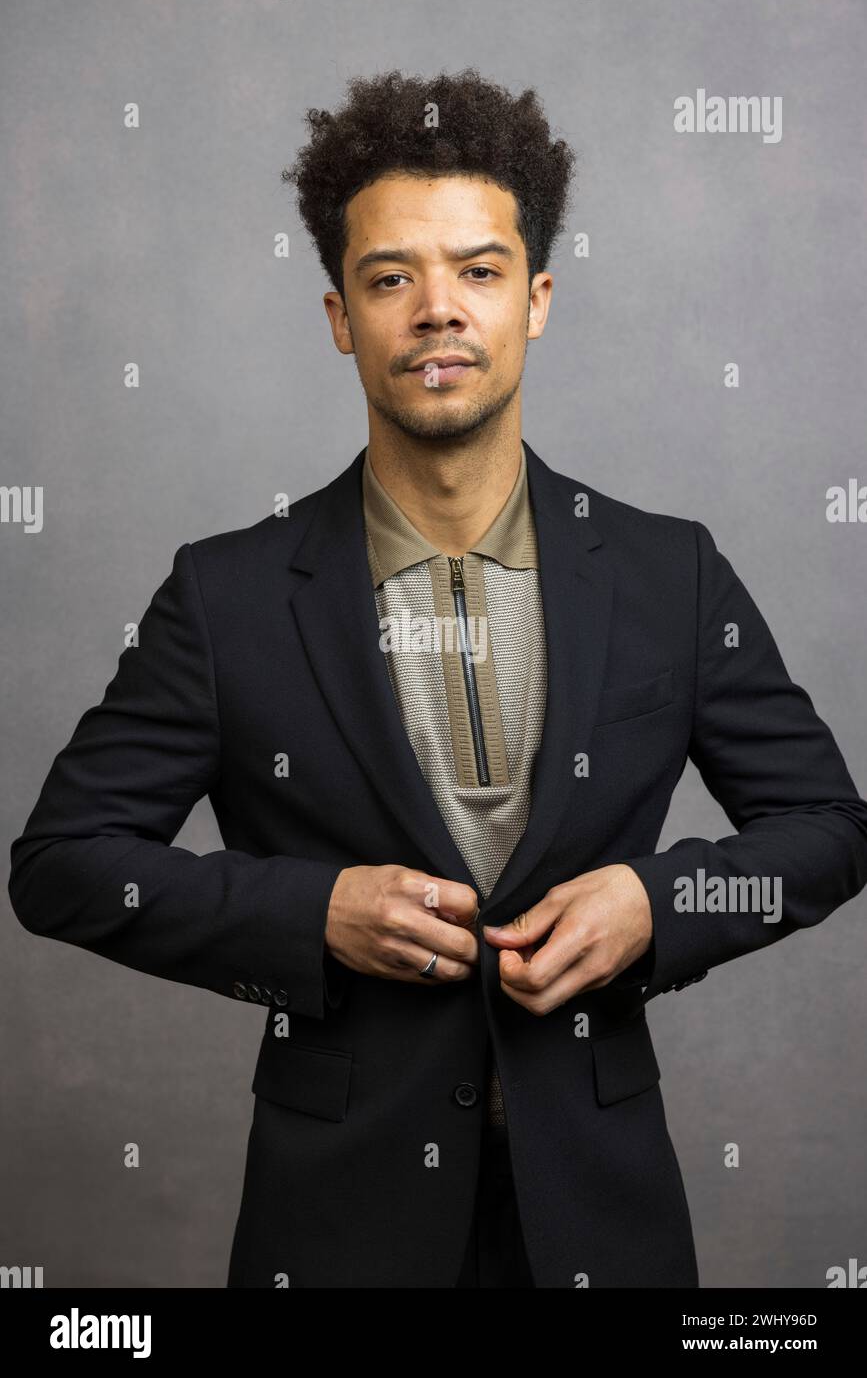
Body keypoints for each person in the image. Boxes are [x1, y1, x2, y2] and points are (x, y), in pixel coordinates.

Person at [9, 69, 867, 1289]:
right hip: (336, 1231)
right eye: (390, 278)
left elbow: (828, 827)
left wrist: (655, 903)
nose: (438, 311)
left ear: (537, 299)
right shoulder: (226, 596)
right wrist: (312, 913)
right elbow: (60, 866)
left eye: (479, 269)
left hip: (600, 1223)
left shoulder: (669, 573)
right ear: (340, 316)